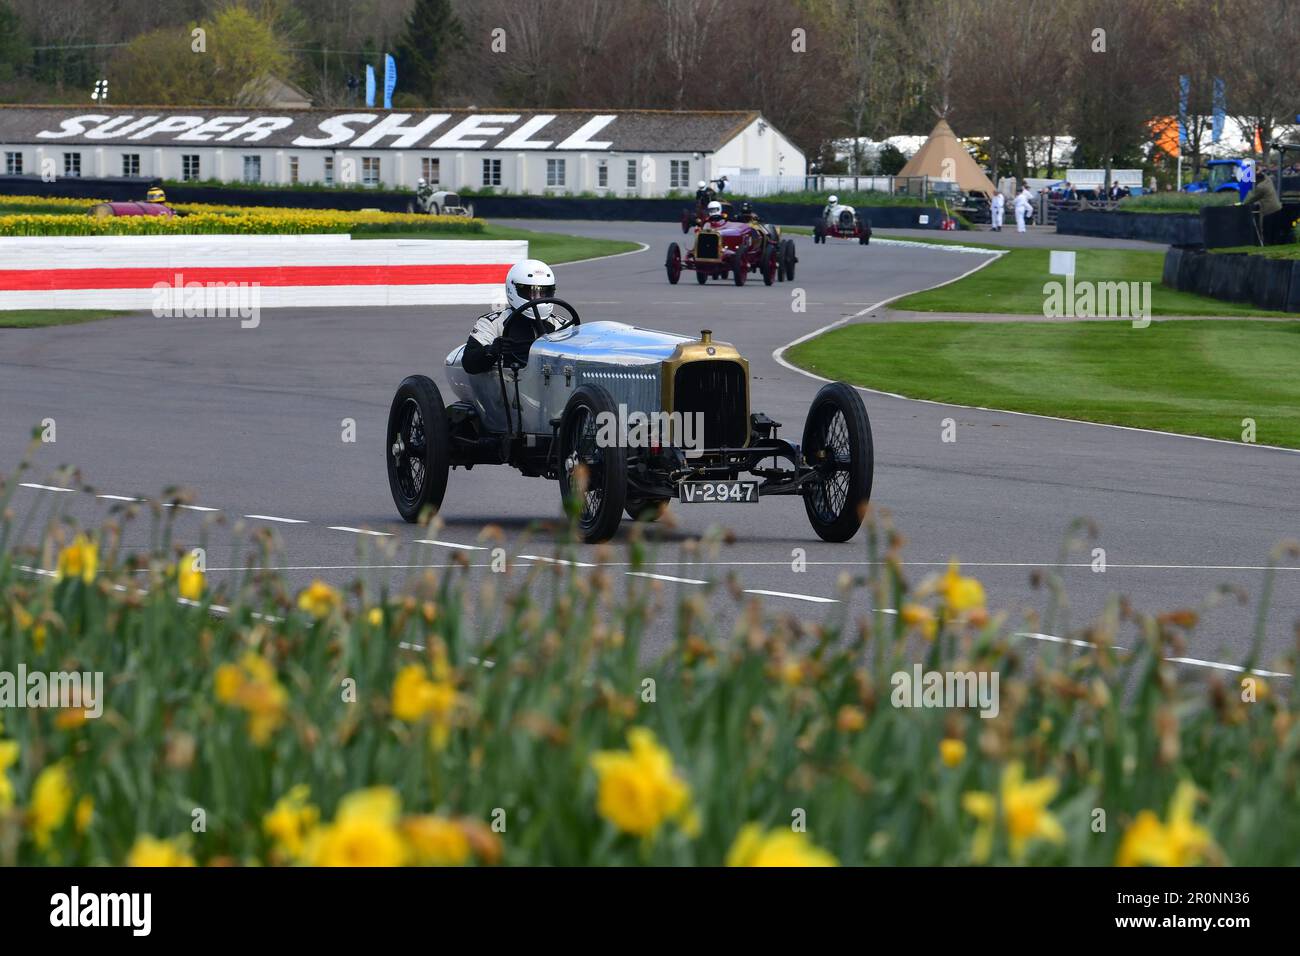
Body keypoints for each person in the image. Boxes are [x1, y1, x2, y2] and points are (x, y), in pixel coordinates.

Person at [462, 260, 561, 374]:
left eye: (544, 292)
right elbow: (469, 364)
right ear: (512, 289)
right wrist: (492, 351)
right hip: (509, 387)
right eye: (531, 292)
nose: (538, 298)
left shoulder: (561, 325)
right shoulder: (493, 323)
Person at [1240, 174, 1285, 244]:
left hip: (1269, 210)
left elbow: (1253, 198)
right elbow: (1264, 175)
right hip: (1278, 207)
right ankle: (1276, 242)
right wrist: (1258, 171)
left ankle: (1267, 243)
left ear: (1258, 180)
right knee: (1275, 229)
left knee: (1267, 229)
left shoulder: (1261, 187)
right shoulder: (1268, 180)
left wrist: (1243, 203)